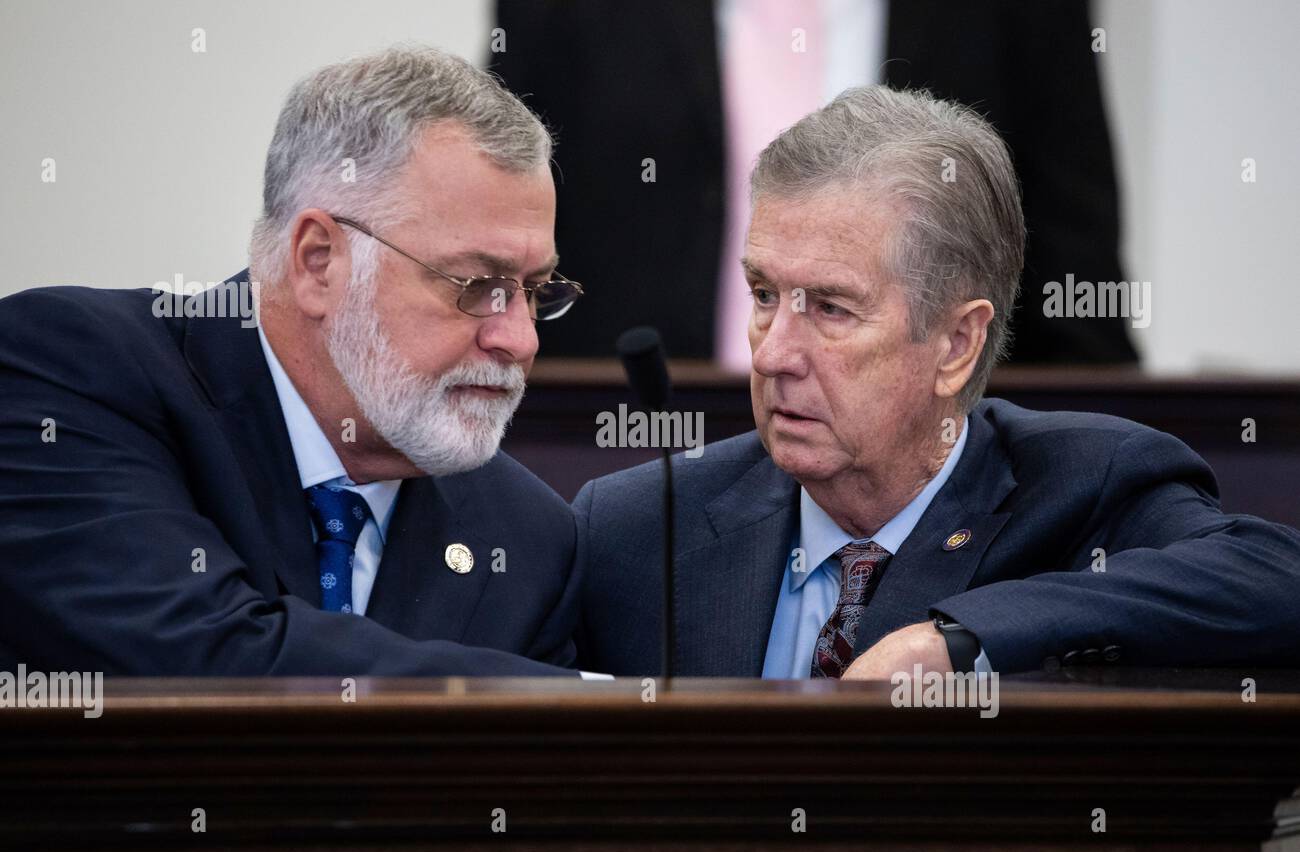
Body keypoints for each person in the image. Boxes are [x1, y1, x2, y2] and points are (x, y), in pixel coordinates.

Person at [573, 85, 1300, 679]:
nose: (771, 356)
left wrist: (960, 639)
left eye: (830, 308)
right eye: (765, 296)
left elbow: (1276, 577)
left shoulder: (1086, 489)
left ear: (956, 343)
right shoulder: (641, 525)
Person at [0, 46, 589, 676]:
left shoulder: (528, 538)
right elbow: (201, 656)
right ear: (318, 262)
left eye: (534, 291)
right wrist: (584, 700)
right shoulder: (71, 373)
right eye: (476, 285)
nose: (520, 339)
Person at [492, 0, 1137, 367]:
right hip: (627, 446)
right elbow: (504, 229)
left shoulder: (1017, 15)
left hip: (941, 486)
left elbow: (1072, 270)